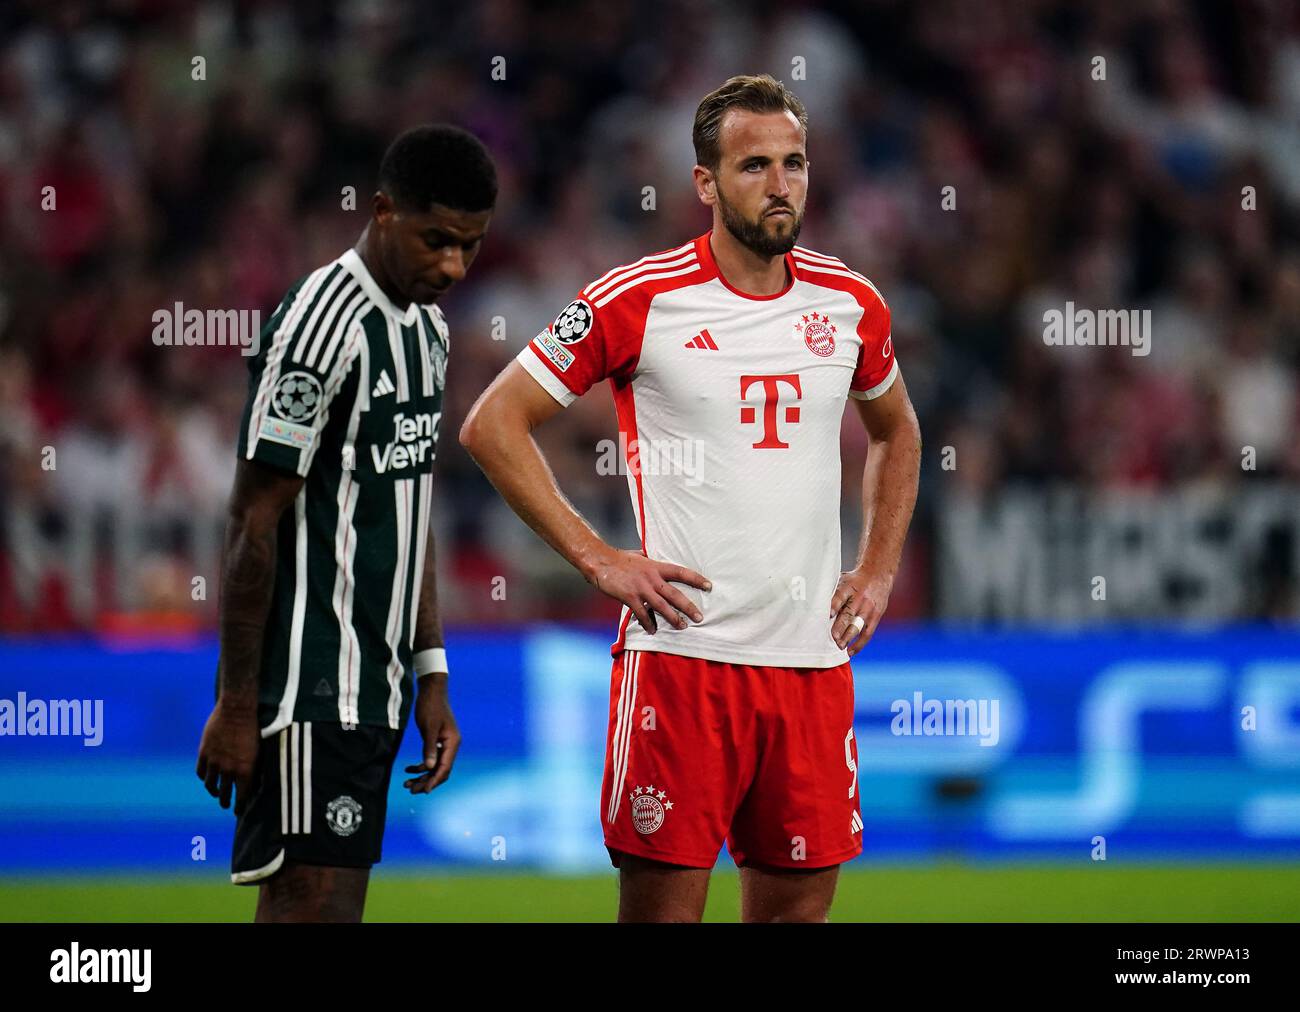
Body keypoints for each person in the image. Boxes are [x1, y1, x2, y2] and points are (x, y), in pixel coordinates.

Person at [459, 75, 921, 922]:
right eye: (754, 166)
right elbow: (493, 424)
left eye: (795, 163)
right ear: (706, 184)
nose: (780, 185)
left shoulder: (851, 304)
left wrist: (876, 568)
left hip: (812, 667)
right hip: (683, 667)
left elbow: (898, 432)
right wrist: (599, 559)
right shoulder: (639, 298)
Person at [196, 124, 496, 922]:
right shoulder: (319, 328)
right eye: (436, 241)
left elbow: (409, 502)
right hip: (307, 689)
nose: (451, 267)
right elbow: (251, 521)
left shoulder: (427, 330)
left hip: (379, 690)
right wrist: (236, 705)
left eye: (468, 248)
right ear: (383, 211)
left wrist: (430, 670)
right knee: (312, 910)